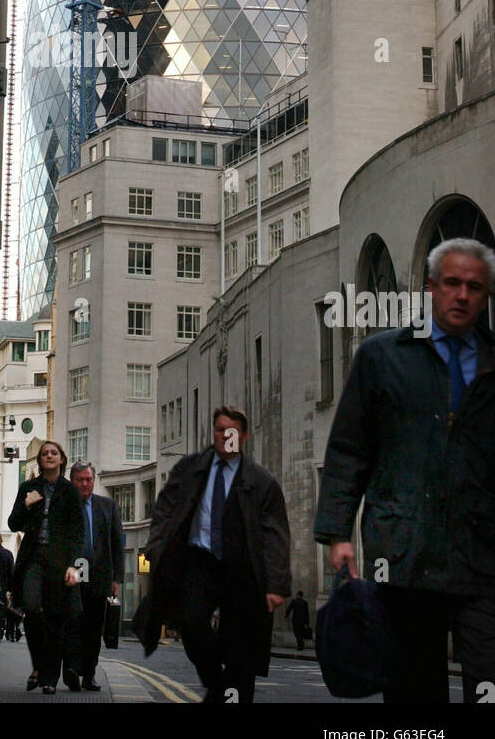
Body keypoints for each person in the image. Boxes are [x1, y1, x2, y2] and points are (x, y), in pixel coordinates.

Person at [314, 237, 495, 705]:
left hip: (483, 557)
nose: (462, 295)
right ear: (430, 288)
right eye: (452, 283)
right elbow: (349, 449)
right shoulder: (381, 357)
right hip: (405, 554)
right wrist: (337, 534)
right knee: (413, 692)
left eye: (474, 286)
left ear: (486, 294)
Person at [134, 405, 291, 703]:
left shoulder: (262, 482)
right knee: (191, 624)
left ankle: (229, 691)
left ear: (243, 436)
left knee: (240, 650)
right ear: (214, 433)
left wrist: (276, 583)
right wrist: (156, 548)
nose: (225, 436)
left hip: (242, 570)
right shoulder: (190, 469)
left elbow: (276, 536)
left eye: (231, 431)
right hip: (199, 563)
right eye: (220, 430)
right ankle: (217, 688)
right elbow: (165, 510)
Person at [8, 440, 84, 694]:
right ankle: (39, 665)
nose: (49, 456)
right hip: (33, 558)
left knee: (55, 617)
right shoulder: (28, 487)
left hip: (58, 562)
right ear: (40, 461)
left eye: (54, 453)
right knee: (31, 606)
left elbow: (77, 532)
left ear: (61, 459)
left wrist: (73, 566)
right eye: (44, 454)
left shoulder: (70, 491)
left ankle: (48, 677)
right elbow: (12, 523)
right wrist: (27, 505)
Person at [66, 461, 124, 691]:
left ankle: (89, 674)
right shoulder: (66, 506)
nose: (84, 483)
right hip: (71, 574)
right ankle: (71, 669)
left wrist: (116, 578)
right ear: (72, 481)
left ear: (93, 480)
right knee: (72, 624)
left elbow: (117, 542)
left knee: (93, 627)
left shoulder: (107, 505)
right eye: (79, 479)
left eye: (88, 479)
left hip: (99, 576)